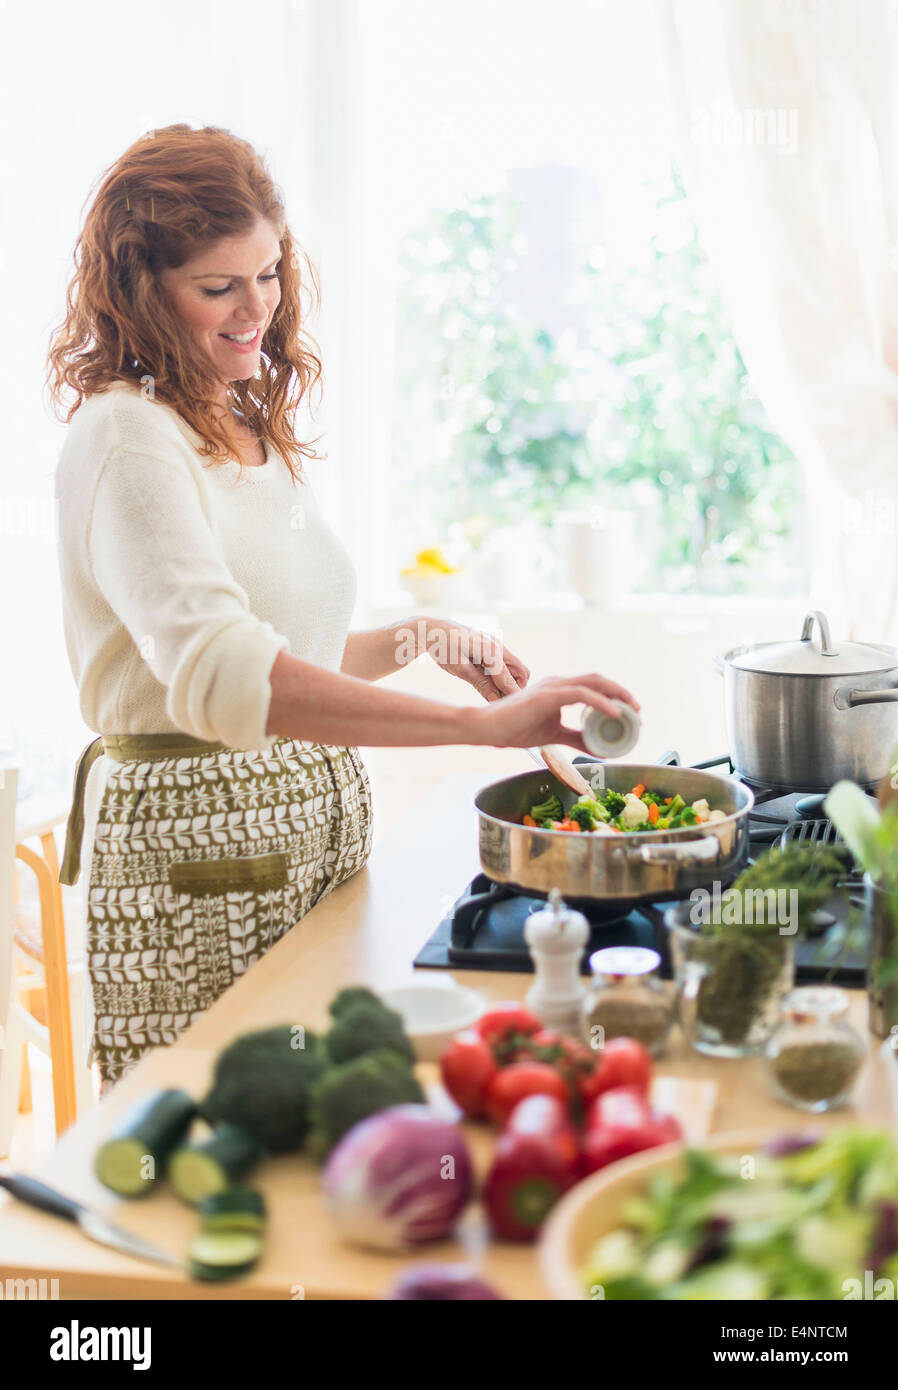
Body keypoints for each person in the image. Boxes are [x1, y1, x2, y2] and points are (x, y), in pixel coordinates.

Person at [45, 123, 640, 1087]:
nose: (258, 309)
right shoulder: (125, 441)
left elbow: (293, 650)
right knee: (216, 1137)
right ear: (138, 289)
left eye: (270, 272)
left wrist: (421, 636)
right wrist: (481, 725)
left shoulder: (238, 421)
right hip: (199, 861)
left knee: (324, 1126)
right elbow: (228, 677)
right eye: (218, 286)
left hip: (315, 837)